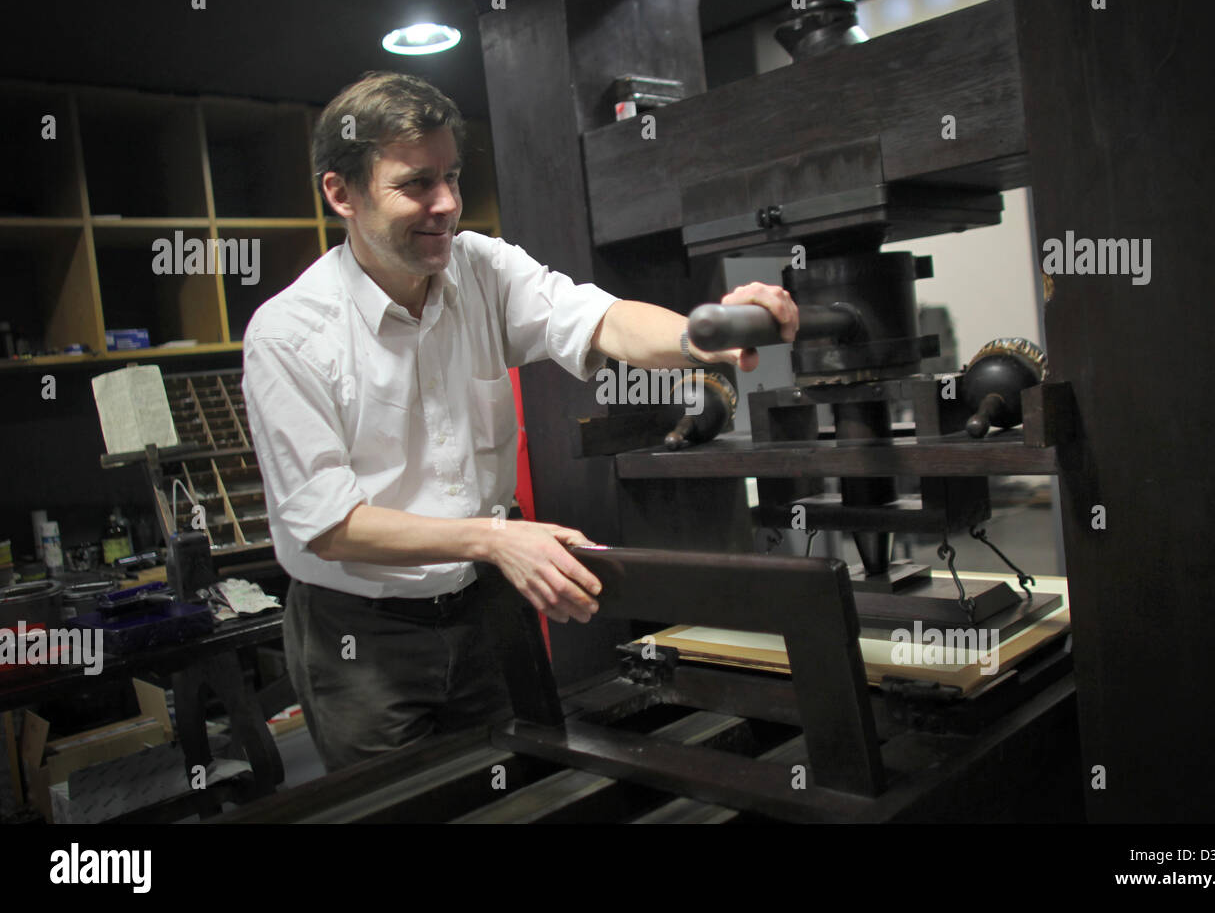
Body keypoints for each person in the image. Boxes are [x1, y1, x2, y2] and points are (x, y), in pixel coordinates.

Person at [242, 71, 798, 771]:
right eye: (416, 184)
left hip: (481, 611)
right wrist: (497, 539)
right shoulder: (289, 335)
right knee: (398, 807)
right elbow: (327, 525)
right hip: (360, 639)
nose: (446, 204)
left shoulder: (480, 267)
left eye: (452, 177)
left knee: (515, 784)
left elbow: (601, 321)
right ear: (340, 193)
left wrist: (704, 333)